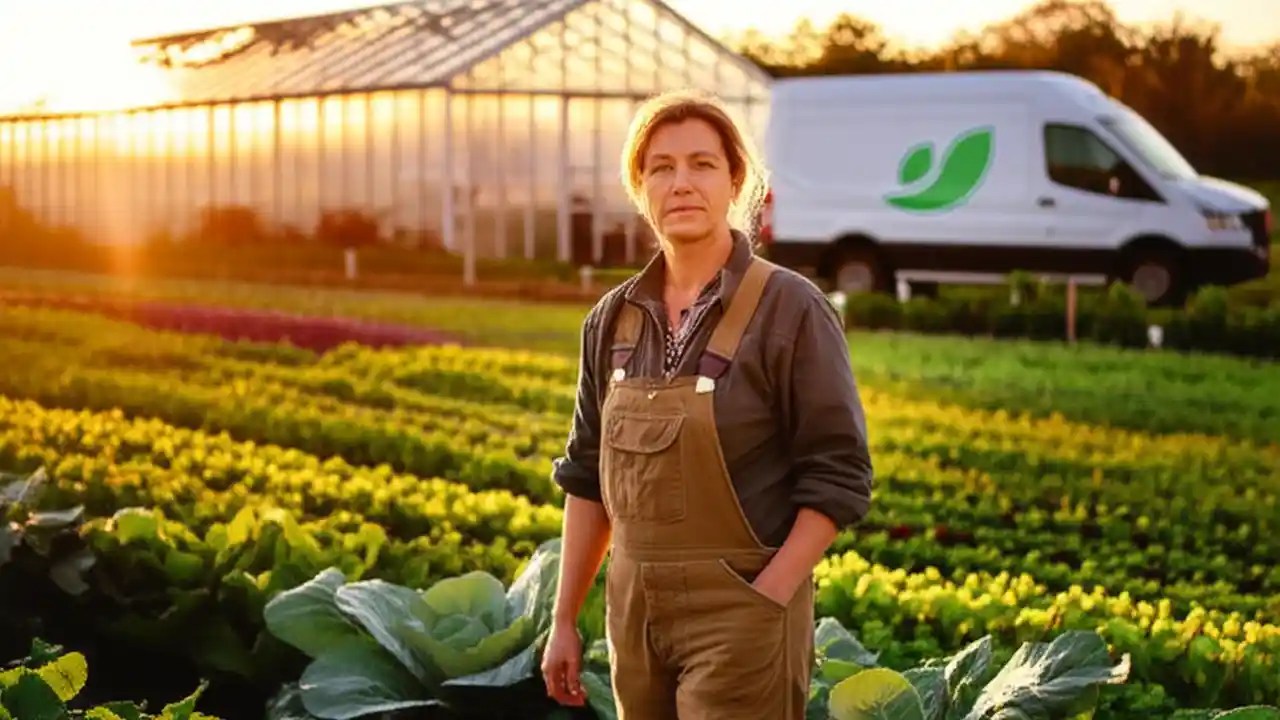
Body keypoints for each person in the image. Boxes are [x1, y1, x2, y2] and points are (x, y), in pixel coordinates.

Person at [540, 89, 874, 719]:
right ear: (640, 188)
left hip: (742, 611)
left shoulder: (791, 310)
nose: (681, 183)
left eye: (702, 164)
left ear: (735, 181)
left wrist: (766, 597)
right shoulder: (611, 321)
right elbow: (587, 476)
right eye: (661, 167)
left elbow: (839, 474)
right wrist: (563, 618)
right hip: (634, 612)